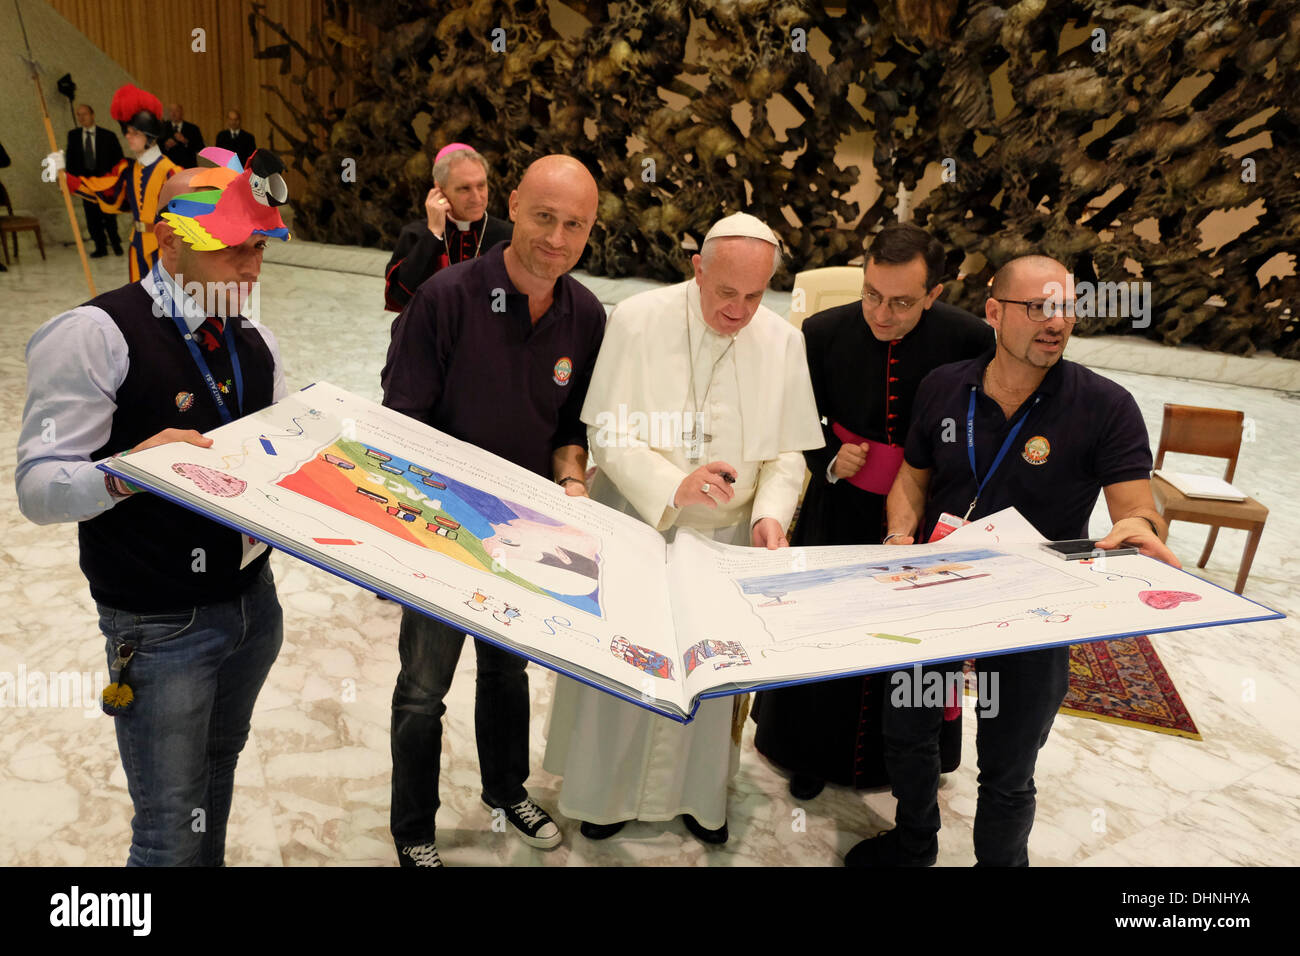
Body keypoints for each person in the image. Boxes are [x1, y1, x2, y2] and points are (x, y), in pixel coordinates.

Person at [847, 254, 1180, 867]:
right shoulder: (945, 387)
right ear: (994, 312)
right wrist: (899, 539)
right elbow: (914, 480)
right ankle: (913, 844)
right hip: (939, 591)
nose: (1055, 323)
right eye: (1038, 308)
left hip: (1035, 609)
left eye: (1065, 309)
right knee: (910, 732)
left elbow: (1135, 506)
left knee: (1008, 764)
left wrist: (1140, 528)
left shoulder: (1104, 405)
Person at [16, 156, 294, 866]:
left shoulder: (255, 341)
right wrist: (131, 472)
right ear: (170, 243)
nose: (251, 267)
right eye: (233, 247)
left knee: (216, 777)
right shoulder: (96, 335)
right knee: (168, 833)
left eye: (258, 246)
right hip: (162, 625)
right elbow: (38, 489)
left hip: (251, 608)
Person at [542, 212, 824, 845]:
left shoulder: (782, 342)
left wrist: (770, 516)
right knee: (628, 666)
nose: (739, 310)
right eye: (727, 292)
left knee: (707, 674)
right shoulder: (639, 319)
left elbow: (787, 456)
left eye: (754, 296)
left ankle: (698, 797)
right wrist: (672, 485)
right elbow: (606, 433)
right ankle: (607, 794)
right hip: (642, 525)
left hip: (724, 542)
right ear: (697, 268)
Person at [380, 154, 605, 867]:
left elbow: (572, 429)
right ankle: (414, 827)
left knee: (508, 673)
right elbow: (399, 427)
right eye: (544, 217)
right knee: (423, 690)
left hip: (528, 534)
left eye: (575, 225)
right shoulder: (445, 300)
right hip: (442, 531)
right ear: (513, 205)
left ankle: (506, 789)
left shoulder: (587, 315)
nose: (557, 238)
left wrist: (571, 481)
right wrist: (440, 523)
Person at [752, 223, 993, 799]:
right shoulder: (821, 332)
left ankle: (904, 763)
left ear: (935, 294)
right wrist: (832, 457)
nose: (881, 314)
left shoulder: (971, 339)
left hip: (921, 520)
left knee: (909, 643)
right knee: (828, 632)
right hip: (839, 511)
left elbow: (984, 421)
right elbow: (793, 419)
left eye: (902, 302)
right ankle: (808, 754)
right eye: (871, 295)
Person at [54, 84, 180, 282]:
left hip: (164, 248)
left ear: (150, 136)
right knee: (139, 301)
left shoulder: (172, 172)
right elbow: (104, 189)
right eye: (127, 132)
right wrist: (63, 176)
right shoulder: (127, 169)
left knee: (166, 305)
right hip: (136, 243)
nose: (128, 137)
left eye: (134, 133)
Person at [383, 143, 512, 311]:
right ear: (439, 189)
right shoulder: (415, 234)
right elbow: (401, 296)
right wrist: (434, 234)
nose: (477, 197)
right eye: (464, 188)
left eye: (481, 185)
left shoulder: (508, 235)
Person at [64, 104, 124, 258]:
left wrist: (114, 180)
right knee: (92, 217)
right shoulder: (74, 135)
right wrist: (73, 180)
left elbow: (118, 158)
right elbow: (70, 158)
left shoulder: (107, 135)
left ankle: (116, 244)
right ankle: (100, 246)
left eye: (84, 114)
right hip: (86, 183)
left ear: (92, 115)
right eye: (79, 114)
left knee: (109, 215)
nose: (82, 117)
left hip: (105, 182)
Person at [160, 103, 205, 169]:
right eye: (171, 111)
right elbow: (156, 147)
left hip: (188, 166)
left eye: (176, 111)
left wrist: (185, 141)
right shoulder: (162, 128)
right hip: (168, 167)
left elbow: (200, 147)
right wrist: (166, 145)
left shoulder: (193, 128)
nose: (173, 113)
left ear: (182, 112)